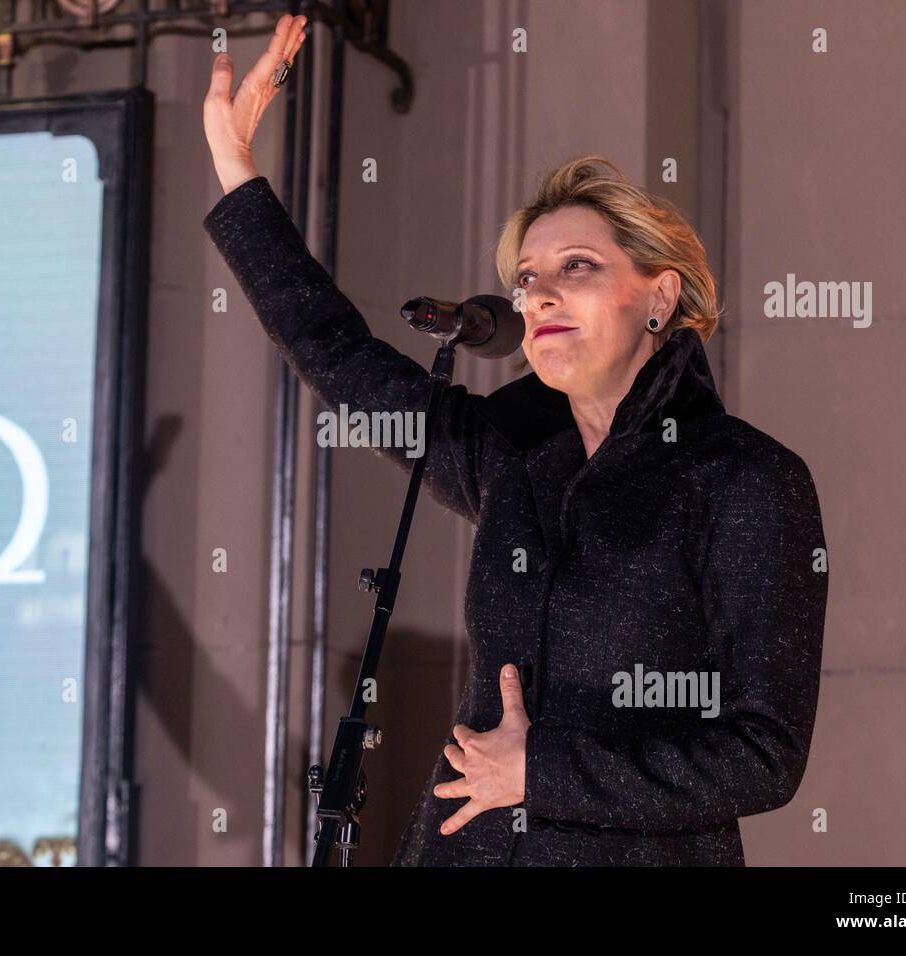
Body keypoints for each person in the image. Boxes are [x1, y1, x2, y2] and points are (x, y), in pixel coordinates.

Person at [201, 14, 828, 866]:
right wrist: (237, 170)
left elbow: (765, 755)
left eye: (577, 268)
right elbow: (340, 356)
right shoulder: (513, 455)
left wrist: (545, 770)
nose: (539, 297)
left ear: (658, 297)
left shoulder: (743, 478)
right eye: (527, 280)